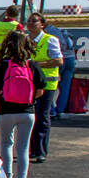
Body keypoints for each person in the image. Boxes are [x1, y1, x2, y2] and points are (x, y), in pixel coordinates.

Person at [0, 30, 45, 178]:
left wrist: (5, 97)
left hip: (6, 111)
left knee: (6, 144)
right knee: (23, 149)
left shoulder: (2, 65)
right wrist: (27, 98)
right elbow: (40, 91)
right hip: (27, 111)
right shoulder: (31, 64)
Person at [25, 12, 62, 163]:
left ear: (42, 24)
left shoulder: (50, 40)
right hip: (29, 84)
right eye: (29, 21)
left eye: (34, 21)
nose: (30, 24)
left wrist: (37, 65)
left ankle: (40, 150)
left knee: (42, 116)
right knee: (30, 117)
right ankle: (32, 149)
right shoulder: (25, 40)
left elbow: (58, 61)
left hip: (46, 84)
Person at [44, 19, 77, 119]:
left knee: (50, 85)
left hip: (60, 59)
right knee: (64, 87)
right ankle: (60, 110)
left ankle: (51, 110)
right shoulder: (60, 31)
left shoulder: (47, 33)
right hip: (70, 58)